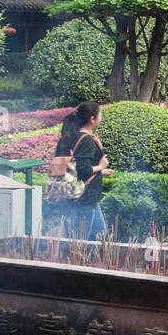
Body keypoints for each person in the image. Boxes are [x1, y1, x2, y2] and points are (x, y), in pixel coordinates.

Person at [51, 102, 113, 241]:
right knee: (81, 242)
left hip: (85, 198)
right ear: (92, 119)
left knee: (100, 237)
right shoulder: (86, 141)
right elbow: (82, 169)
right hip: (84, 198)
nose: (101, 119)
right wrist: (101, 166)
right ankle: (72, 262)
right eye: (100, 115)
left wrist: (99, 172)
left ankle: (90, 262)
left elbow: (74, 167)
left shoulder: (74, 136)